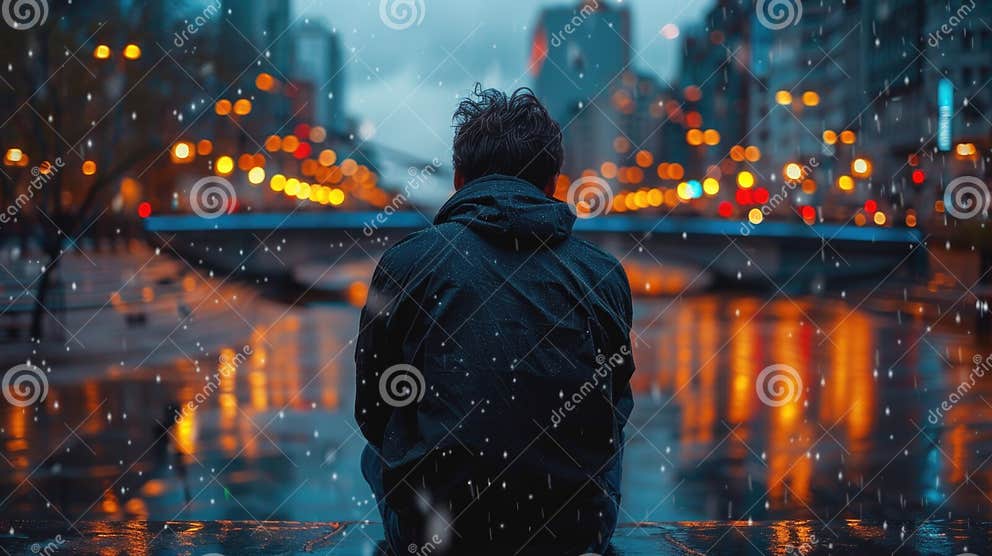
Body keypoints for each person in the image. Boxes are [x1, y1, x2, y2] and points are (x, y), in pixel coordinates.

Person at [355, 85, 635, 555]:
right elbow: (615, 406)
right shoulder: (601, 273)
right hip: (570, 533)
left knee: (376, 452)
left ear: (459, 178)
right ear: (552, 184)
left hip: (438, 535)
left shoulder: (406, 264)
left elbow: (372, 407)